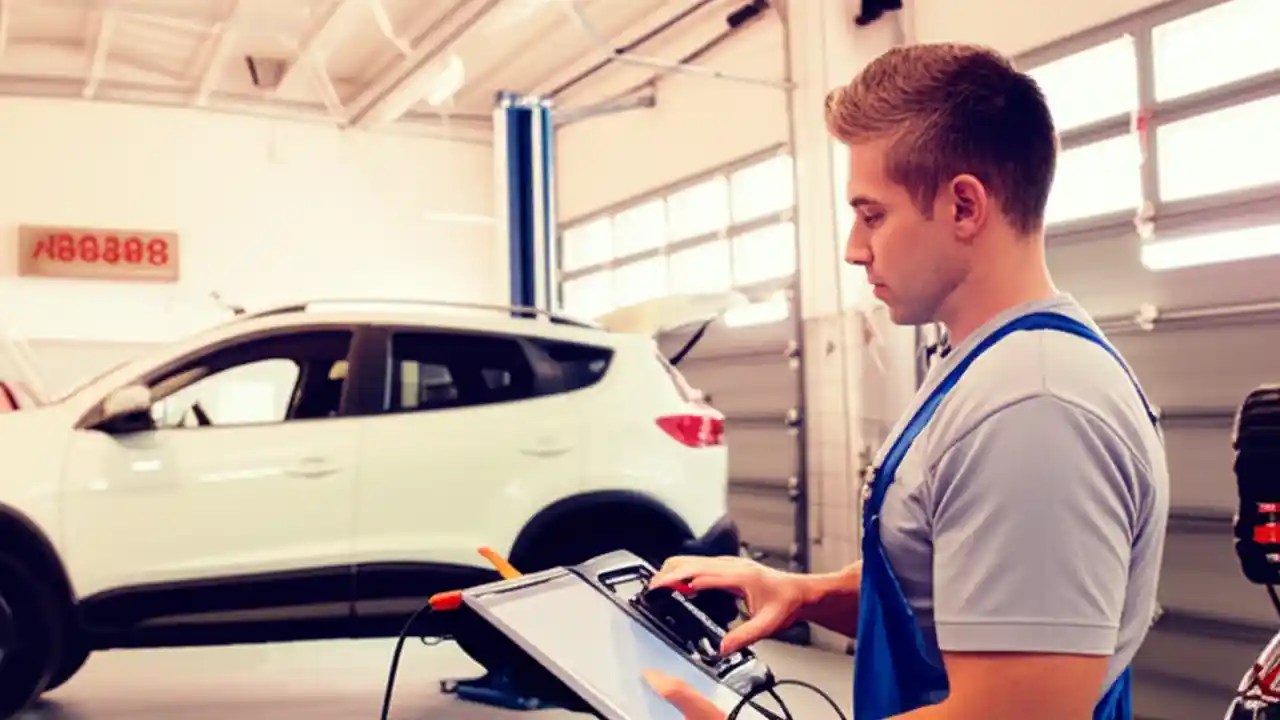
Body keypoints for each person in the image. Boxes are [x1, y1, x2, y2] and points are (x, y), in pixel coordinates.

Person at [642, 42, 1170, 720]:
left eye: (872, 215)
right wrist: (803, 593)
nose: (854, 248)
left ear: (963, 207)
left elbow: (1020, 713)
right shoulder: (981, 366)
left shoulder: (1032, 407)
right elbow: (962, 591)